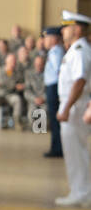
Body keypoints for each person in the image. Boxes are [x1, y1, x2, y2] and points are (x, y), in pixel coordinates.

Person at [55, 11, 91, 206]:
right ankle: (82, 191)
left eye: (66, 26)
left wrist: (67, 107)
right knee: (76, 151)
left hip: (75, 105)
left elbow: (80, 81)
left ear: (76, 29)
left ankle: (81, 192)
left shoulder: (79, 51)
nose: (63, 30)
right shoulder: (77, 49)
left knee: (75, 151)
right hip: (74, 103)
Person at [41, 26, 65, 157]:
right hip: (52, 86)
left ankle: (57, 149)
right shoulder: (54, 51)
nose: (45, 41)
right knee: (54, 119)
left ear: (54, 38)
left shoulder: (56, 52)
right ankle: (56, 147)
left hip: (54, 87)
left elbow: (59, 72)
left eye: (47, 38)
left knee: (55, 120)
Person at [25, 55, 47, 131]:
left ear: (44, 64)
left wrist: (43, 98)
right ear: (34, 64)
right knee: (31, 113)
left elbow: (50, 90)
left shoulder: (48, 74)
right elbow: (27, 91)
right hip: (33, 100)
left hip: (45, 101)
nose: (39, 66)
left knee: (44, 111)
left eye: (40, 64)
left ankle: (41, 131)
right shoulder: (29, 74)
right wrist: (34, 99)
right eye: (37, 64)